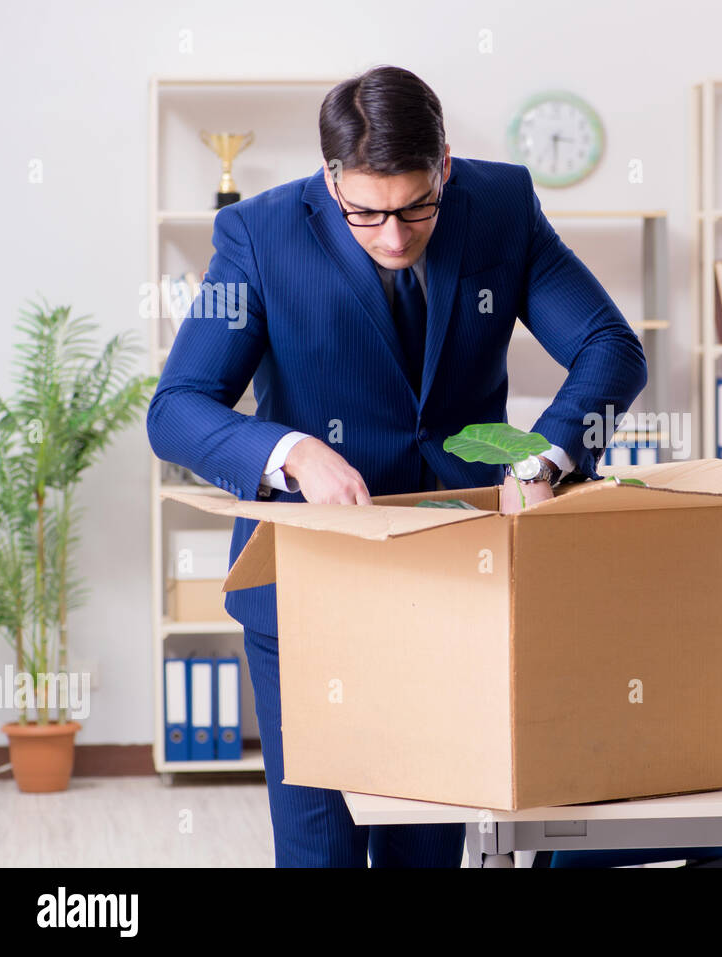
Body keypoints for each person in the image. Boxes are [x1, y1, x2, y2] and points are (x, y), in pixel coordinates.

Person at [146, 66, 646, 867]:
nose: (392, 235)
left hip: (454, 583)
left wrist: (544, 455)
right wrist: (292, 450)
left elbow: (610, 349)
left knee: (425, 846)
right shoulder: (257, 235)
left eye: (416, 208)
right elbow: (175, 407)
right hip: (308, 591)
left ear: (445, 163)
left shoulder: (502, 208)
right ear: (329, 175)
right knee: (321, 851)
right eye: (367, 214)